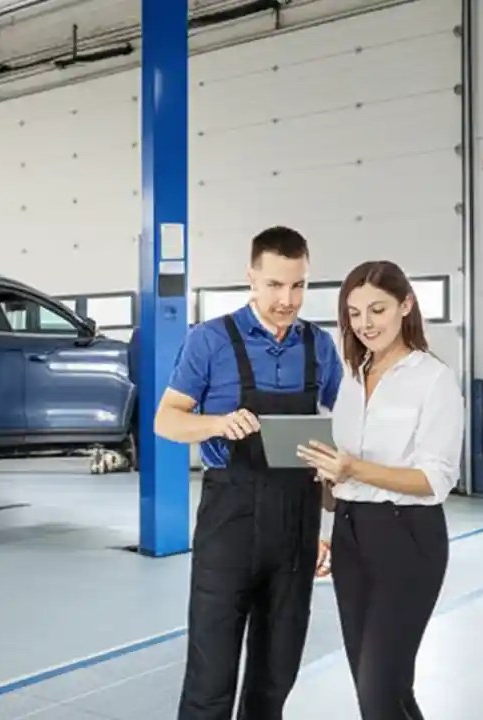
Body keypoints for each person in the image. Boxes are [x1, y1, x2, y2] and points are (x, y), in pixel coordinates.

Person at [154, 226, 343, 719]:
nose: (288, 299)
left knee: (275, 675)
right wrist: (218, 422)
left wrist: (327, 520)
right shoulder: (210, 340)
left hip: (296, 525)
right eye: (277, 285)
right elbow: (166, 419)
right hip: (230, 520)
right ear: (252, 280)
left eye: (299, 285)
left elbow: (343, 435)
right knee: (211, 675)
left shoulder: (319, 346)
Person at [295, 260, 464, 720]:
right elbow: (346, 467)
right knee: (385, 692)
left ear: (405, 305)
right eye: (353, 313)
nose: (365, 324)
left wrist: (355, 468)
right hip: (351, 533)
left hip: (407, 538)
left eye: (377, 309)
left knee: (378, 690)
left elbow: (435, 479)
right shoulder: (351, 376)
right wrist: (331, 483)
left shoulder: (433, 378)